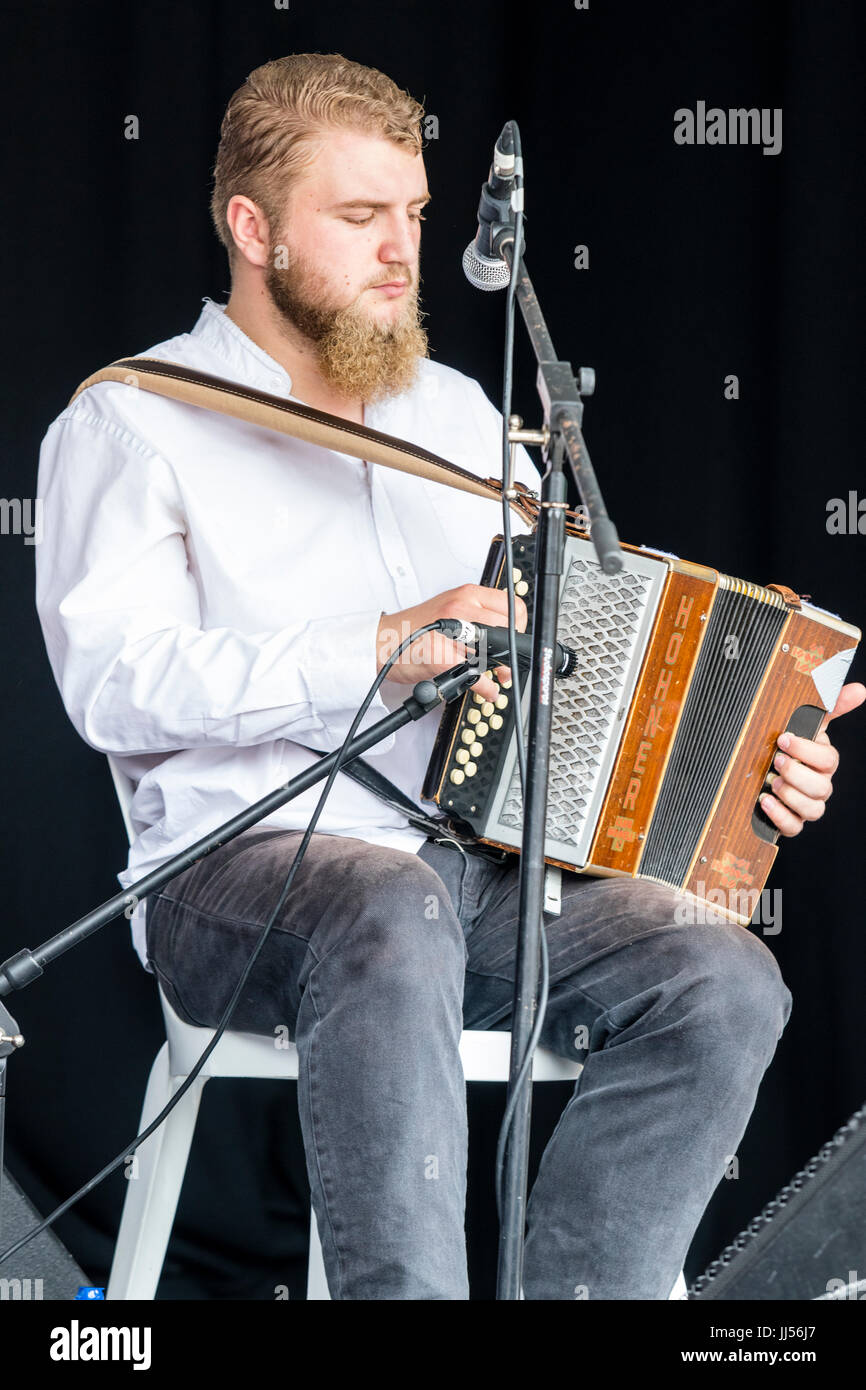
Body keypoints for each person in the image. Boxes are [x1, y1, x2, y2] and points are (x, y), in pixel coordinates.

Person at [35, 53, 863, 1300]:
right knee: (386, 903)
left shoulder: (468, 419)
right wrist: (371, 645)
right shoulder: (134, 420)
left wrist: (753, 764)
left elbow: (581, 667)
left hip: (473, 878)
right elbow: (114, 682)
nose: (398, 252)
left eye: (413, 216)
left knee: (717, 970)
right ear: (251, 228)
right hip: (230, 881)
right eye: (359, 217)